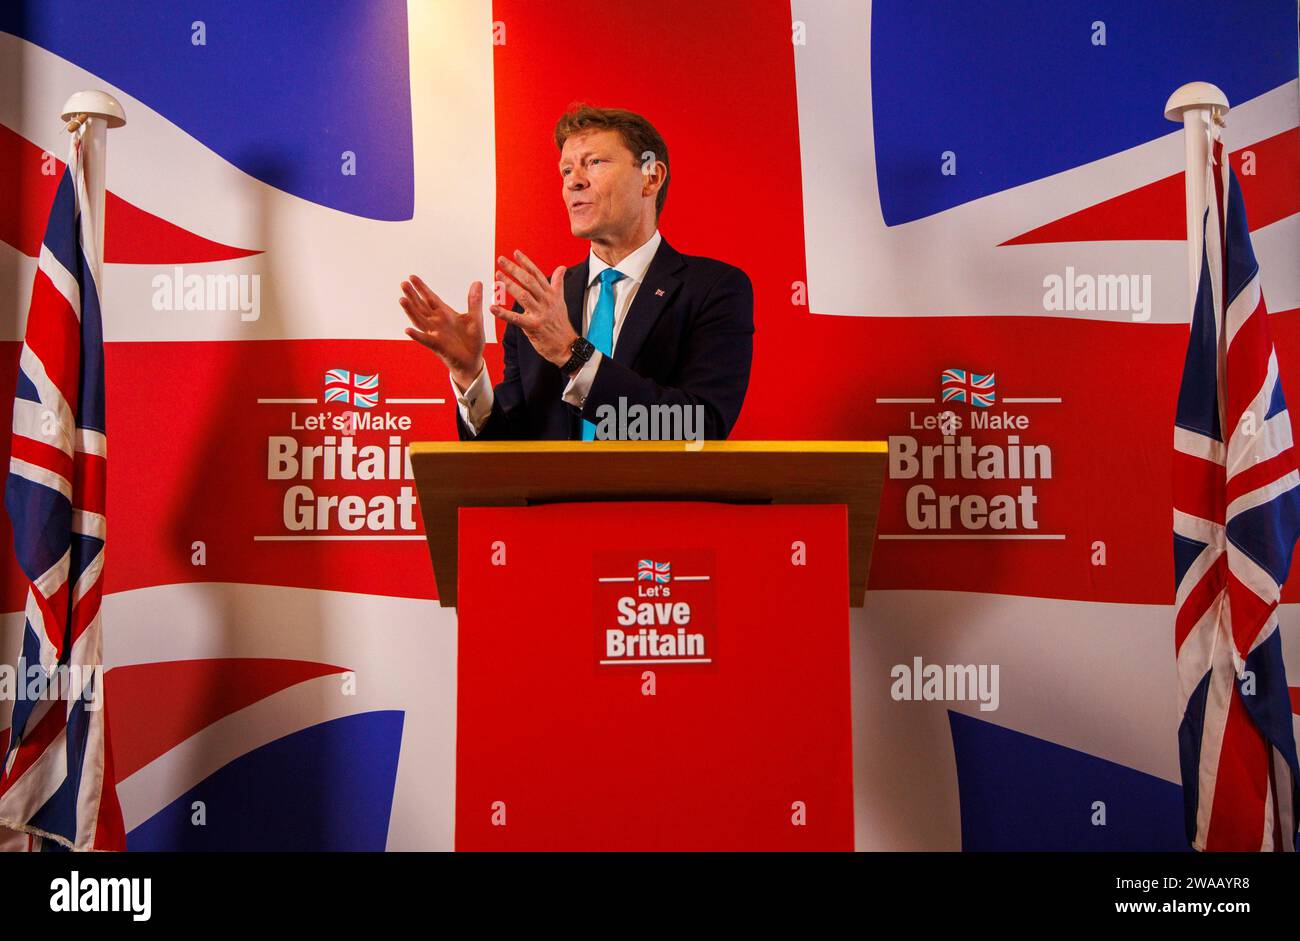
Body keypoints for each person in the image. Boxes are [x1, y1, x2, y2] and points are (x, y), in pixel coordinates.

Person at [399, 105, 754, 441]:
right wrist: (469, 375)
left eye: (594, 163)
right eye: (566, 170)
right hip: (554, 507)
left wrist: (573, 354)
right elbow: (509, 451)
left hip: (648, 504)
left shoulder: (713, 289)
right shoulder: (536, 308)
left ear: (650, 177)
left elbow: (699, 427)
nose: (573, 182)